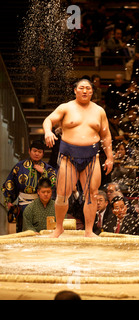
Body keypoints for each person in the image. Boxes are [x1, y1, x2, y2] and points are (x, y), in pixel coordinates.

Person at [43, 78, 114, 238]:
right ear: (75, 90)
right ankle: (59, 227)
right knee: (63, 193)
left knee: (92, 193)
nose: (84, 91)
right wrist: (48, 131)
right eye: (81, 88)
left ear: (92, 91)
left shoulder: (99, 111)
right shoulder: (66, 108)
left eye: (88, 88)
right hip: (69, 156)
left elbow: (106, 134)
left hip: (92, 157)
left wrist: (109, 156)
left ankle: (88, 230)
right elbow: (49, 120)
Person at [2, 140, 57, 232]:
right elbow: (9, 182)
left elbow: (53, 183)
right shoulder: (19, 166)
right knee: (24, 229)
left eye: (39, 152)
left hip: (42, 204)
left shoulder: (48, 168)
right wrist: (8, 200)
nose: (37, 154)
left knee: (43, 228)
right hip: (23, 204)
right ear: (29, 151)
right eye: (34, 151)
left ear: (43, 154)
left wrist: (44, 172)